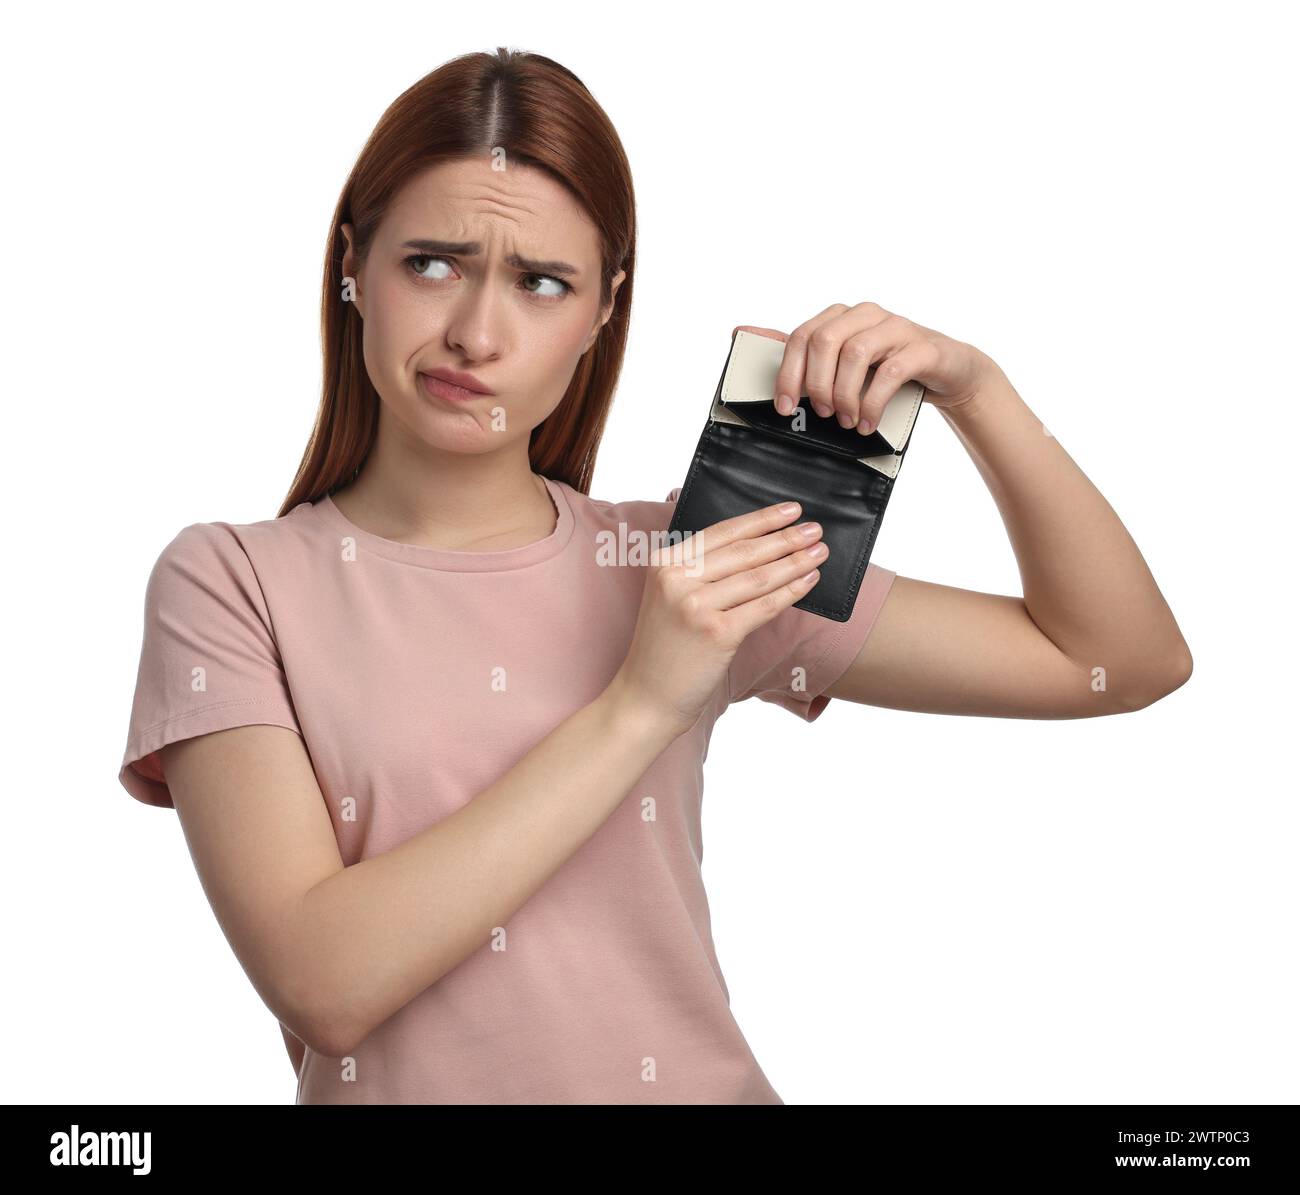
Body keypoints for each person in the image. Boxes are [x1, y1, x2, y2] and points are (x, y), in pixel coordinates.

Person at [117, 48, 1193, 1105]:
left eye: (542, 284)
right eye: (431, 263)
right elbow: (325, 981)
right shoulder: (231, 582)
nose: (476, 333)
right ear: (352, 263)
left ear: (599, 313)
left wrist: (976, 391)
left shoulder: (689, 563)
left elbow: (1115, 659)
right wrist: (643, 699)